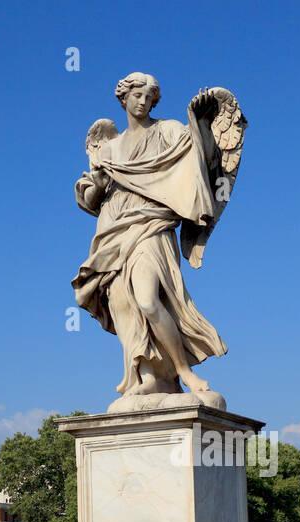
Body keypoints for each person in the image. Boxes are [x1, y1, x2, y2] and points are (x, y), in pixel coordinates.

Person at [72, 72, 231, 398]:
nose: (143, 102)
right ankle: (143, 374)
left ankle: (184, 371)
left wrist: (200, 121)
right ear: (124, 98)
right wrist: (97, 185)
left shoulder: (168, 130)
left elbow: (204, 159)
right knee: (125, 305)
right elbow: (90, 199)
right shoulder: (110, 147)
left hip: (151, 226)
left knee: (147, 298)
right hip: (113, 229)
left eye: (149, 98)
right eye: (137, 96)